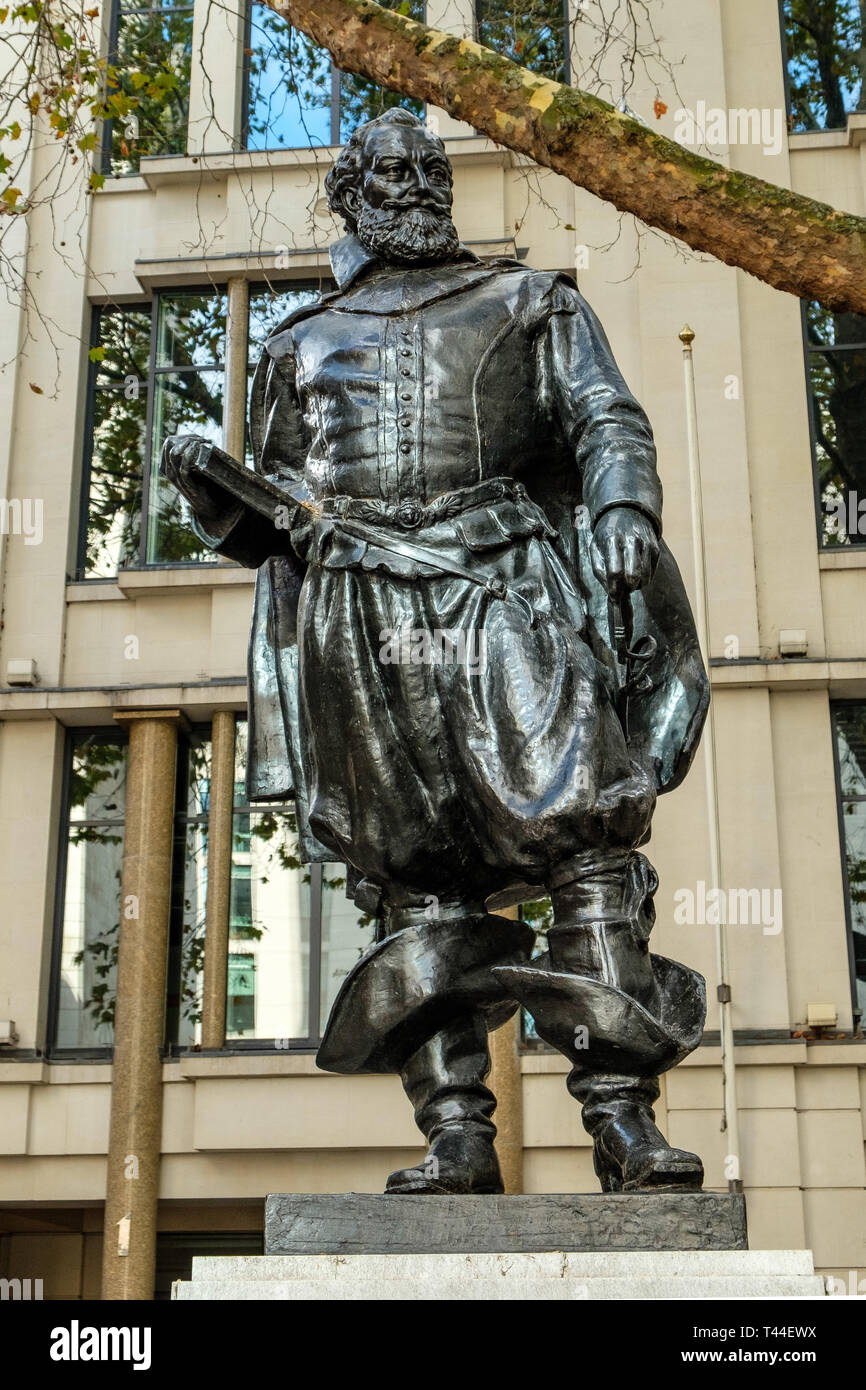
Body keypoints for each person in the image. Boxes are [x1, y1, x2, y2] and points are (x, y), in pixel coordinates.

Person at [163, 107, 709, 1196]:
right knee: (413, 873)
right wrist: (211, 491)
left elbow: (605, 418)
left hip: (497, 586)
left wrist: (620, 510)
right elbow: (281, 518)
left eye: (430, 168)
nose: (417, 184)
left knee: (585, 827)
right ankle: (455, 1133)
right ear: (350, 191)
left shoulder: (528, 300)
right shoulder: (296, 340)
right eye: (392, 171)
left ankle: (620, 1120)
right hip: (361, 624)